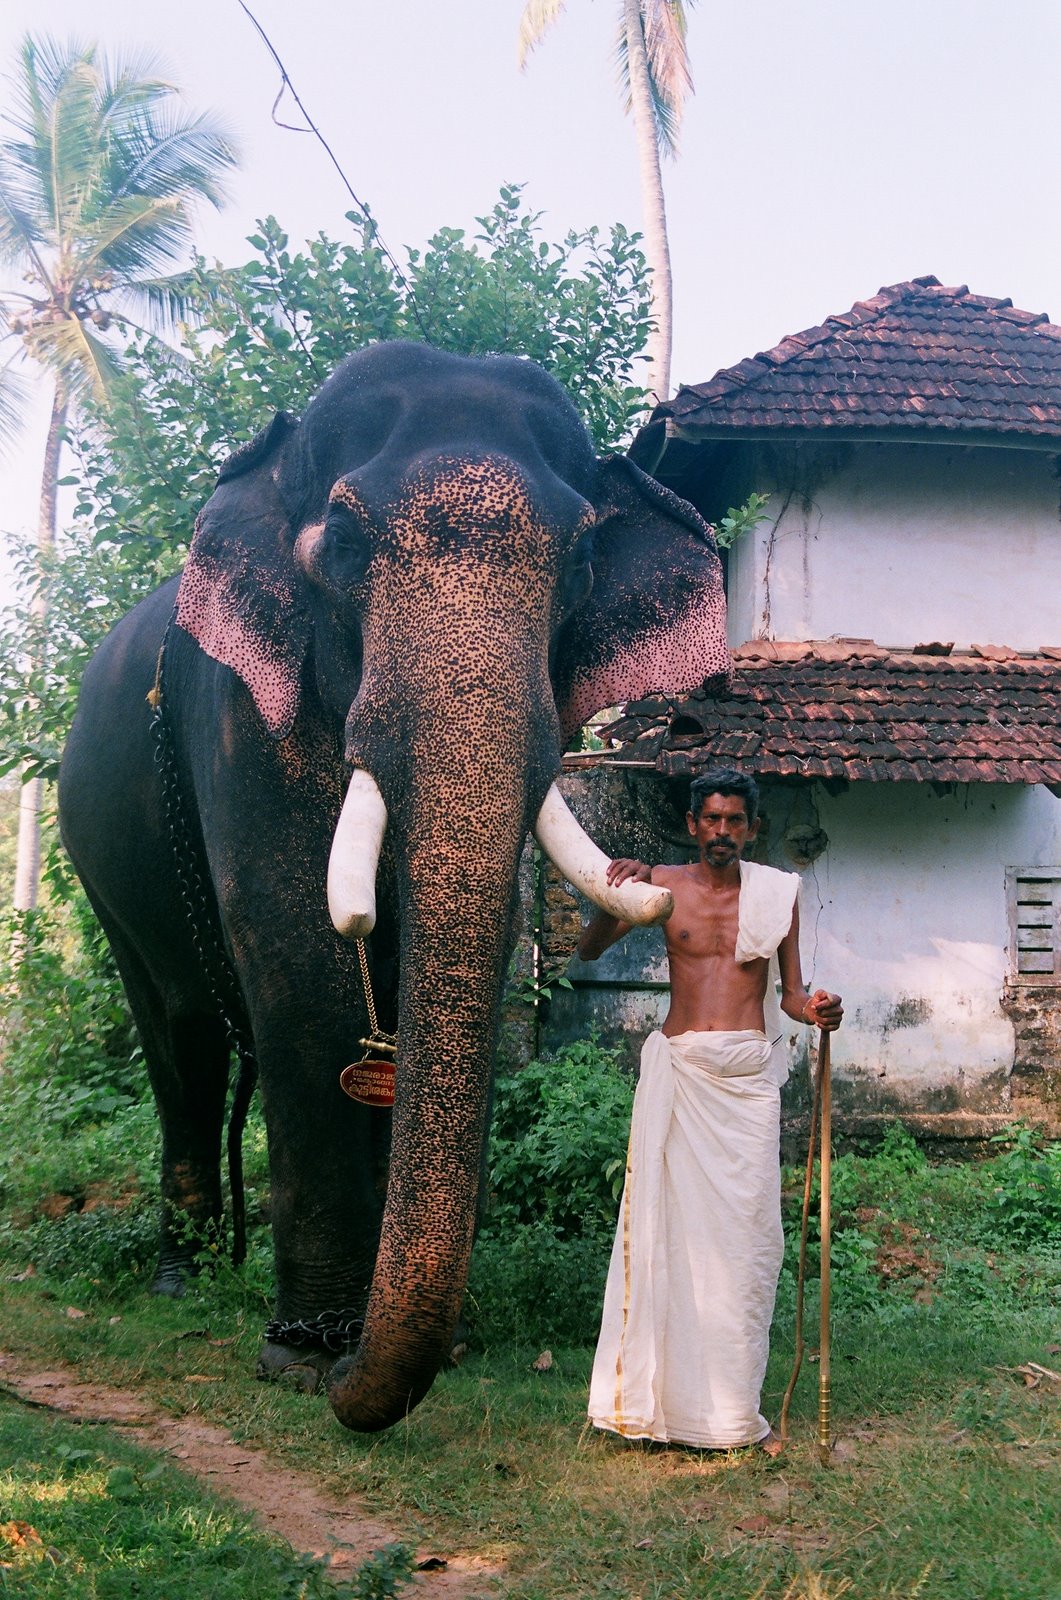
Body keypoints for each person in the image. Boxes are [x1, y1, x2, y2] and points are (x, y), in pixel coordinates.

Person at [579, 767, 842, 1452]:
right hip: (683, 1071)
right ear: (693, 824)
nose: (722, 832)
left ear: (751, 828)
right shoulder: (661, 883)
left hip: (745, 1081)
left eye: (734, 821)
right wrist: (619, 894)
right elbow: (586, 950)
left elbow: (787, 993)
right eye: (711, 819)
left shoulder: (776, 894)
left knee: (745, 1240)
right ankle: (649, 1406)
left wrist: (813, 1009)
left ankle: (729, 1414)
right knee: (662, 1234)